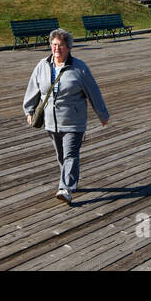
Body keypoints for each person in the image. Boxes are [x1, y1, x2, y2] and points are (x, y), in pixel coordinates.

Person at [22, 28, 110, 203]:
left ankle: (65, 188)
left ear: (69, 48)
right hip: (50, 121)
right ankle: (72, 181)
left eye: (61, 45)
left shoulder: (79, 68)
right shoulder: (43, 65)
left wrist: (102, 114)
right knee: (62, 156)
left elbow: (94, 92)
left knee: (70, 154)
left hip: (73, 121)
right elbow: (34, 88)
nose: (57, 49)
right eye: (54, 45)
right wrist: (29, 110)